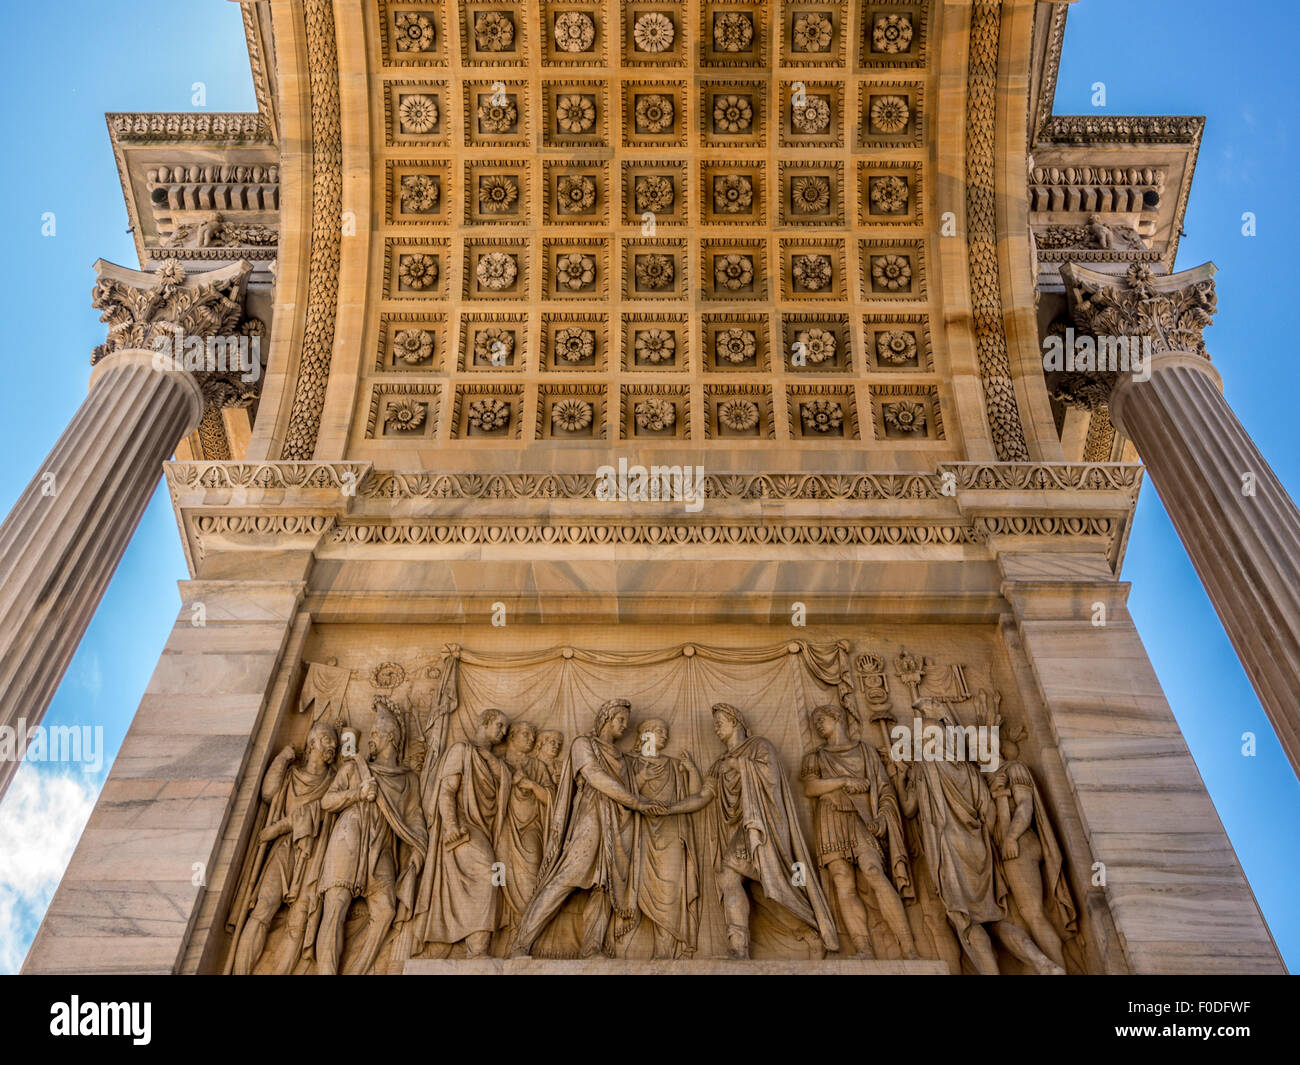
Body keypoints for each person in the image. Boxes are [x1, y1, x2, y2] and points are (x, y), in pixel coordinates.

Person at [666, 703, 839, 959]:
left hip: (765, 827)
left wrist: (741, 766)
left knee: (749, 876)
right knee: (749, 882)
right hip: (746, 830)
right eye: (715, 722)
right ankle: (758, 943)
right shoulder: (719, 764)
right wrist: (669, 808)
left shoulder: (759, 746)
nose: (716, 727)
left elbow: (773, 778)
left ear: (735, 721)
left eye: (720, 721)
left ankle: (804, 932)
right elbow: (703, 797)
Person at [511, 698, 665, 957]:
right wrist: (635, 801)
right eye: (620, 719)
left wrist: (639, 781)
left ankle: (592, 949)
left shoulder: (621, 758)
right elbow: (596, 777)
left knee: (604, 885)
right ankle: (521, 943)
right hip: (591, 816)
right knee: (567, 877)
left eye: (627, 721)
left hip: (618, 822)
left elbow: (622, 783)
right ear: (606, 717)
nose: (625, 726)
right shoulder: (583, 744)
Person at [315, 699, 427, 974]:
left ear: (390, 737)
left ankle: (358, 971)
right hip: (349, 834)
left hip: (382, 842)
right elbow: (327, 802)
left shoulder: (407, 778)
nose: (371, 738)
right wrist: (357, 793)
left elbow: (414, 816)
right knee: (336, 905)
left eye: (376, 733)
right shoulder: (355, 767)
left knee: (387, 908)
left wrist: (418, 849)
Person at [801, 703, 918, 959]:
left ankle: (909, 948)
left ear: (837, 717)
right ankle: (863, 948)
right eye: (815, 722)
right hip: (830, 819)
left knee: (874, 871)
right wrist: (844, 782)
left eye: (822, 719)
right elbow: (810, 788)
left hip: (863, 820)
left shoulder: (865, 751)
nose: (818, 725)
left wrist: (883, 818)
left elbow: (884, 789)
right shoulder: (815, 756)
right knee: (843, 881)